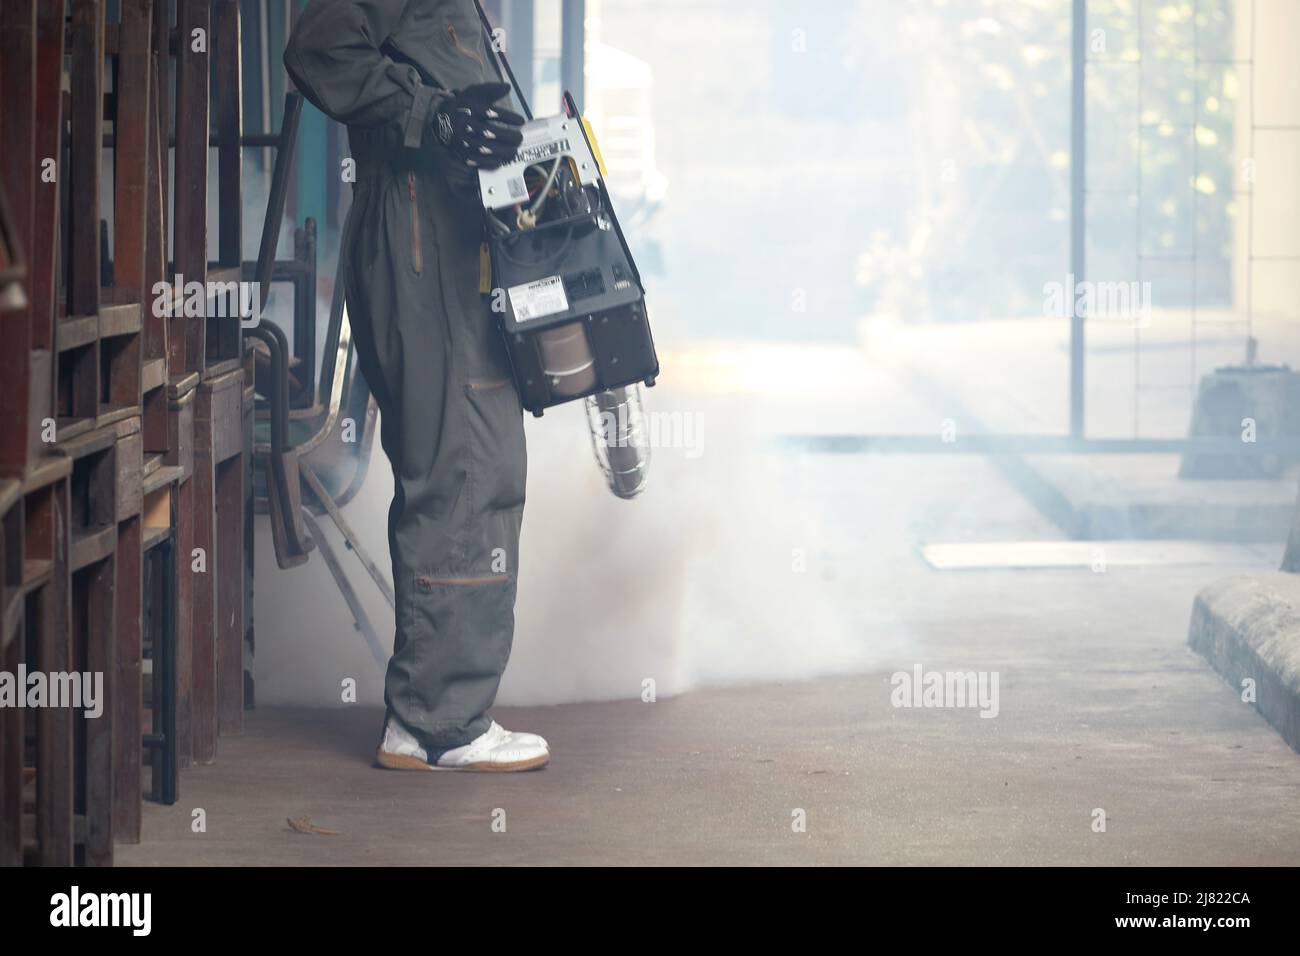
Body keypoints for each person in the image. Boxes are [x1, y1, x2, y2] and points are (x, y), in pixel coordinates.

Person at [285, 0, 549, 771]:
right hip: (417, 237)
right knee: (464, 467)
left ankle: (437, 711)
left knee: (474, 462)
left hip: (447, 238)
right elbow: (317, 49)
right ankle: (439, 724)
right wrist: (430, 118)